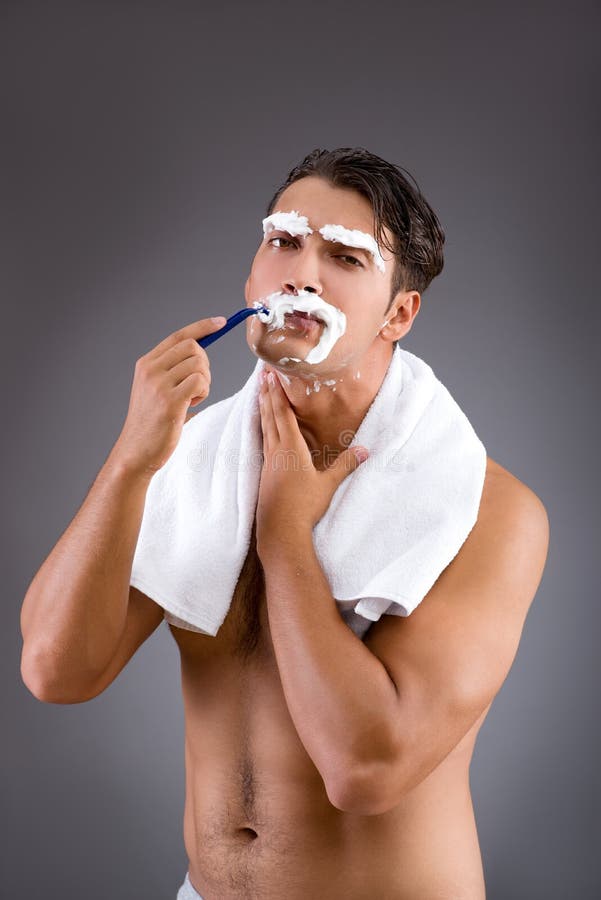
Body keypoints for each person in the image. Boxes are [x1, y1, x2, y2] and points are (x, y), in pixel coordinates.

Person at [20, 148, 550, 899]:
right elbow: (55, 671)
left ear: (398, 313)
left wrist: (284, 538)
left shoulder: (482, 509)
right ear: (250, 278)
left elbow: (365, 769)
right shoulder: (192, 460)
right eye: (283, 242)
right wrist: (131, 459)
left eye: (343, 256)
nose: (300, 273)